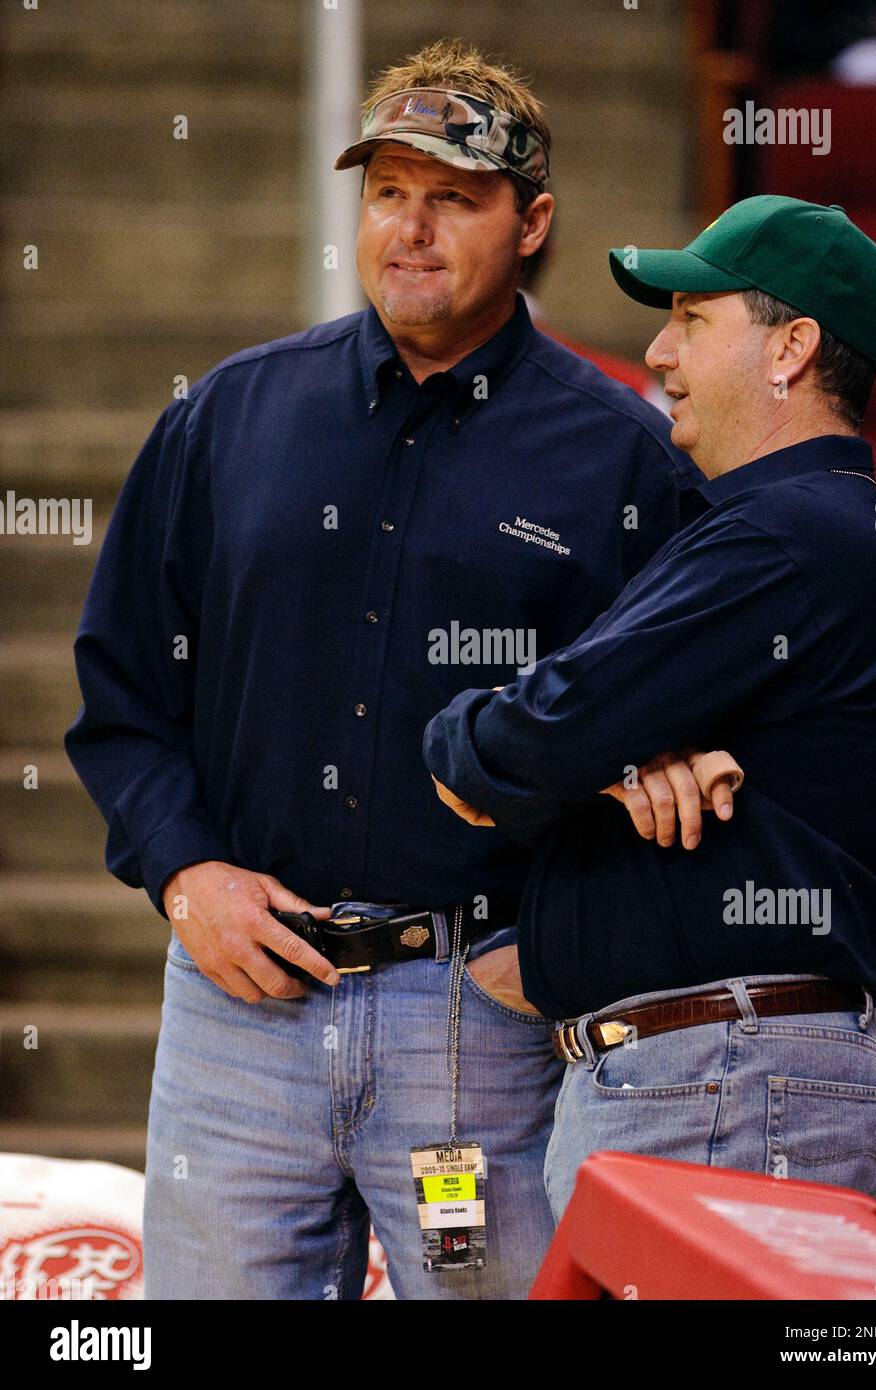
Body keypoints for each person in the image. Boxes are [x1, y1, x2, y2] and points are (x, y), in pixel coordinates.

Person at [65, 38, 735, 1300]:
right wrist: (184, 873)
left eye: (453, 196)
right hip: (234, 1010)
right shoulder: (225, 420)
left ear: (531, 221)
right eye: (387, 191)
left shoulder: (624, 464)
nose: (411, 228)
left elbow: (686, 721)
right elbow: (121, 699)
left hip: (477, 1019)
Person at [425, 194, 876, 1221]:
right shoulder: (777, 525)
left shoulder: (778, 534)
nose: (655, 350)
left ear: (792, 347)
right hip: (714, 1075)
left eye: (691, 318)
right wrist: (617, 761)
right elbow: (571, 729)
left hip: (720, 1079)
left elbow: (529, 732)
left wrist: (499, 749)